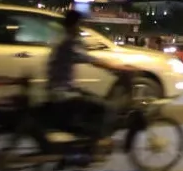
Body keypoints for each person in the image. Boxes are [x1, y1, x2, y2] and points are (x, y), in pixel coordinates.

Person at [46, 10, 136, 155]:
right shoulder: (68, 43)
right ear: (74, 25)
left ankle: (90, 141)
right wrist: (120, 67)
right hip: (63, 93)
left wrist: (112, 68)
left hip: (60, 89)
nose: (80, 29)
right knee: (106, 107)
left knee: (93, 100)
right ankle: (97, 143)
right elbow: (91, 60)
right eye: (79, 25)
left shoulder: (62, 40)